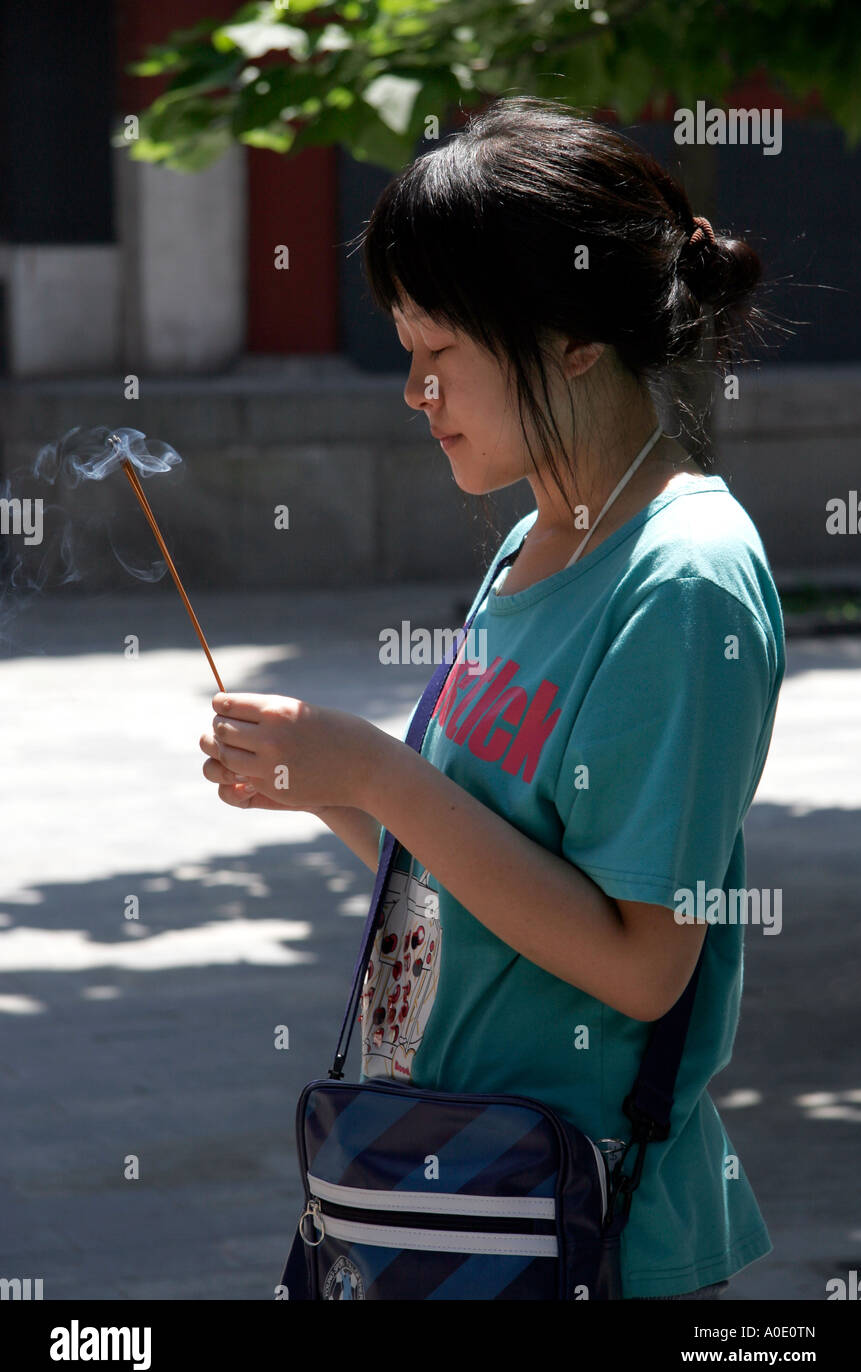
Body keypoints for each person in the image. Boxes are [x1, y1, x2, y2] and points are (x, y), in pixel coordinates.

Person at [199, 96, 785, 1300]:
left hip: (582, 1238)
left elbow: (637, 966)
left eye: (437, 353)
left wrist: (377, 770)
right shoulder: (535, 537)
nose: (414, 394)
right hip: (436, 1201)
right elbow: (466, 877)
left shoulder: (681, 580)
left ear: (569, 333)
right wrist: (326, 790)